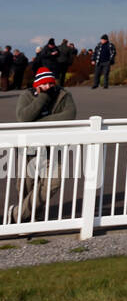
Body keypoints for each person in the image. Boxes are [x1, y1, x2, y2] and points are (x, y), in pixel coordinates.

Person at [11, 68, 78, 222]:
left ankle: (16, 215)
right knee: (26, 185)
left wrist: (38, 124)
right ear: (37, 84)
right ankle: (30, 217)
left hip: (55, 148)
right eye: (44, 84)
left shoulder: (63, 94)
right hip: (30, 149)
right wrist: (42, 98)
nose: (48, 86)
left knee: (54, 182)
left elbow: (69, 115)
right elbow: (23, 118)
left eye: (50, 83)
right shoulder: (26, 96)